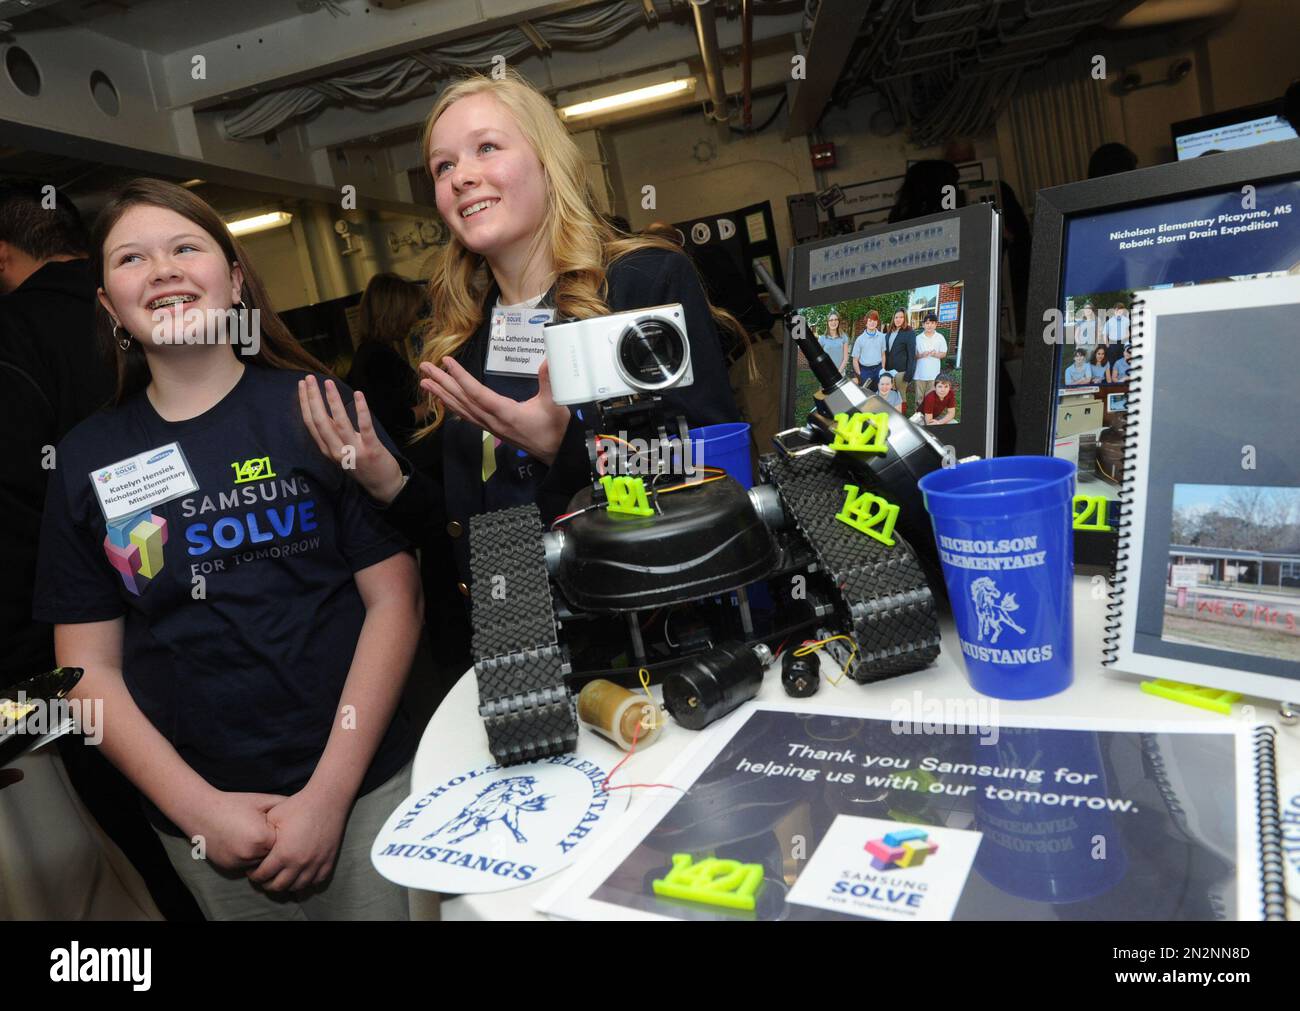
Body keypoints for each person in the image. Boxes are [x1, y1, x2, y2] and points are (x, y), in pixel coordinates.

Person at [33, 178, 422, 921]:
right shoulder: (87, 459)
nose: (164, 269)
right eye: (132, 259)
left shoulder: (315, 405)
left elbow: (395, 599)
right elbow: (86, 674)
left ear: (235, 278)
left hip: (366, 789)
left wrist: (329, 796)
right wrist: (201, 809)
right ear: (109, 307)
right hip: (203, 825)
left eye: (186, 247)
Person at [297, 71, 740, 584]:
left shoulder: (641, 282)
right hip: (517, 633)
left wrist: (567, 449)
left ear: (547, 163)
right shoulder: (462, 344)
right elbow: (472, 528)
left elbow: (712, 469)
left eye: (486, 147)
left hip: (640, 614)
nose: (461, 176)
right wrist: (388, 481)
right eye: (443, 166)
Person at [346, 272, 428, 448]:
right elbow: (389, 419)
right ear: (395, 313)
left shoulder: (372, 353)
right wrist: (429, 409)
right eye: (410, 312)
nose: (414, 320)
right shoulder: (376, 358)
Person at [910, 312, 947, 407]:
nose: (929, 325)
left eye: (932, 323)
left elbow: (944, 353)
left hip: (933, 374)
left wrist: (935, 354)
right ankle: (918, 417)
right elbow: (913, 355)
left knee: (930, 398)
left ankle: (928, 416)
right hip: (920, 374)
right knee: (919, 398)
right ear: (923, 325)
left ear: (936, 324)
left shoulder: (940, 338)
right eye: (927, 323)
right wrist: (921, 355)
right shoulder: (918, 338)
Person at [883, 308, 915, 410]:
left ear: (905, 318)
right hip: (888, 370)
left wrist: (909, 374)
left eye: (901, 317)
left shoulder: (909, 332)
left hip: (901, 372)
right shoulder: (889, 332)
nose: (898, 319)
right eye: (896, 317)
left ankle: (902, 417)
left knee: (901, 397)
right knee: (890, 396)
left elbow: (912, 355)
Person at [851, 309, 886, 390]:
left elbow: (883, 355)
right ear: (866, 322)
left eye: (874, 320)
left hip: (878, 369)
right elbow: (855, 359)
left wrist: (883, 369)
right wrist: (860, 374)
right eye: (870, 320)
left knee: (878, 394)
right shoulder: (860, 339)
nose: (872, 322)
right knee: (865, 394)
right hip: (865, 371)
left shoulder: (882, 337)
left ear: (877, 322)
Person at [817, 310, 849, 378]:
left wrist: (838, 373)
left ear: (838, 321)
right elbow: (819, 358)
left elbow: (846, 358)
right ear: (827, 322)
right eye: (831, 320)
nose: (833, 322)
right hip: (827, 374)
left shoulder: (844, 337)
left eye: (835, 319)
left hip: (841, 374)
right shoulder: (822, 339)